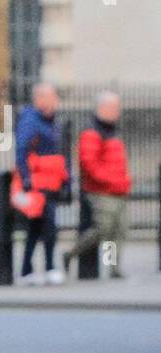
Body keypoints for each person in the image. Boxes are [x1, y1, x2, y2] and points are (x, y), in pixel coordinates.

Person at [65, 91, 131, 278]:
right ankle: (70, 253)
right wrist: (111, 181)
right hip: (102, 192)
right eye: (115, 107)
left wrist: (123, 182)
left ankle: (112, 267)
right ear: (103, 108)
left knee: (118, 231)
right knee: (102, 230)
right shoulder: (92, 132)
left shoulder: (112, 130)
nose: (118, 111)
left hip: (119, 190)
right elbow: (89, 164)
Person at [13, 82, 69, 285]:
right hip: (38, 184)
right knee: (48, 227)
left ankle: (27, 270)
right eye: (51, 97)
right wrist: (27, 177)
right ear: (39, 99)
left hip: (50, 182)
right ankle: (50, 267)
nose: (55, 101)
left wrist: (64, 179)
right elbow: (21, 150)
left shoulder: (50, 121)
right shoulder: (31, 120)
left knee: (36, 229)